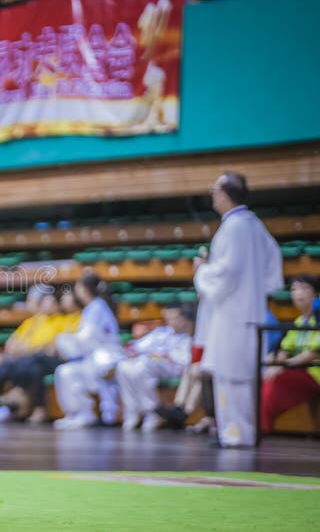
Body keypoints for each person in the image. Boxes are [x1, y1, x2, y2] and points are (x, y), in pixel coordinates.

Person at [194, 171, 282, 448]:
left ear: (224, 194)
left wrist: (202, 271)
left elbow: (227, 273)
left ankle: (234, 433)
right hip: (250, 308)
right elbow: (273, 263)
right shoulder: (254, 224)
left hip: (231, 313)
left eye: (215, 191)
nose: (212, 196)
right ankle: (240, 431)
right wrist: (255, 290)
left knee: (230, 376)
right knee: (242, 375)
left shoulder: (234, 228)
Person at [0, 288, 79, 424]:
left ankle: (19, 397)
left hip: (46, 359)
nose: (47, 304)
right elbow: (11, 343)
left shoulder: (61, 321)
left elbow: (51, 348)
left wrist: (28, 349)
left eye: (50, 301)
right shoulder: (34, 321)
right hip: (26, 359)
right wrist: (23, 349)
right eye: (45, 301)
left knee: (32, 365)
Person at [53, 273, 124, 429]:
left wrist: (65, 341)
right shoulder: (90, 309)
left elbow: (88, 338)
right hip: (90, 358)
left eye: (78, 287)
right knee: (65, 372)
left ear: (85, 290)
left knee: (101, 365)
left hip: (107, 357)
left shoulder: (98, 307)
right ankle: (81, 413)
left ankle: (109, 415)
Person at [116, 303, 194, 431]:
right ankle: (132, 411)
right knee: (123, 366)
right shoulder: (162, 332)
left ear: (183, 318)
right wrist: (134, 352)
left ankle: (152, 412)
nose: (172, 321)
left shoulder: (187, 337)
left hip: (171, 367)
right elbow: (137, 346)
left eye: (175, 318)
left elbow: (185, 361)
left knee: (145, 364)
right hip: (149, 363)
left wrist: (161, 355)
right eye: (168, 318)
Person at [260, 275, 320, 434]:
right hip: (299, 372)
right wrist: (274, 362)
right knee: (266, 376)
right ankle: (259, 425)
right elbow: (284, 350)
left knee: (278, 380)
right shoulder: (299, 322)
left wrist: (282, 367)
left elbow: (312, 354)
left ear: (316, 295)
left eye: (304, 288)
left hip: (315, 374)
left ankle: (262, 427)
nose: (298, 293)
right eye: (294, 289)